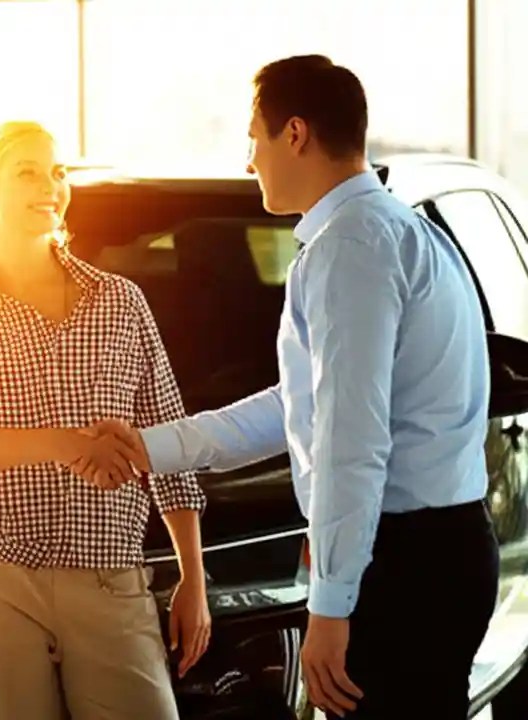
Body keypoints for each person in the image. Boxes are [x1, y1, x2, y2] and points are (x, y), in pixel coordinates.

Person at [89, 55, 499, 719]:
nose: (250, 159)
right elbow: (298, 406)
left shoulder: (351, 247)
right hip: (431, 552)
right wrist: (149, 447)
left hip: (405, 567)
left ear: (296, 134)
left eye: (254, 137)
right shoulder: (391, 232)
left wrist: (331, 606)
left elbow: (349, 442)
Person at [0, 119, 211, 720]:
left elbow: (169, 442)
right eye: (28, 172)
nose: (51, 185)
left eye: (57, 171)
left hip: (110, 577)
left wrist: (192, 577)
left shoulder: (120, 302)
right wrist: (65, 443)